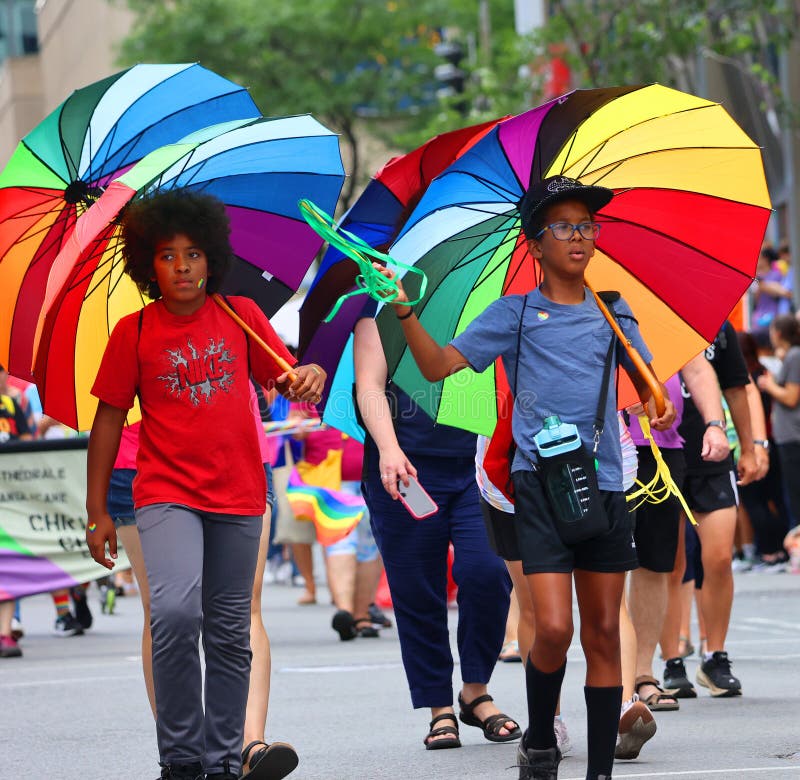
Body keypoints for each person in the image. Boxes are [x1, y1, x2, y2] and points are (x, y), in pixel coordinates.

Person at [373, 175, 675, 780]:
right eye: (563, 227)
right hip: (538, 486)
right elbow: (436, 367)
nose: (579, 237)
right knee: (555, 627)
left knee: (605, 633)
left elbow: (651, 394)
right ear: (534, 244)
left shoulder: (614, 311)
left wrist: (654, 399)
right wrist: (405, 310)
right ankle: (541, 738)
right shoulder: (512, 314)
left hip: (605, 485)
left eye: (587, 226)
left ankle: (596, 771)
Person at [84, 190, 324, 780]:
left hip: (240, 492)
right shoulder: (133, 332)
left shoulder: (241, 313)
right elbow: (108, 421)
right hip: (165, 492)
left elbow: (283, 377)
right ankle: (181, 757)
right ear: (149, 265)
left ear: (211, 258)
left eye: (193, 254)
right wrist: (97, 511)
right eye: (167, 255)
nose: (183, 266)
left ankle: (222, 759)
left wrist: (308, 375)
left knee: (226, 626)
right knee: (171, 611)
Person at [355, 315, 518, 752]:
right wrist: (389, 449)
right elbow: (368, 387)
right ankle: (438, 709)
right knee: (418, 591)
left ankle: (474, 691)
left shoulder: (491, 306)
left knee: (487, 573)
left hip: (477, 467)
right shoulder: (378, 315)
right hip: (403, 470)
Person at [0, 364, 32, 659]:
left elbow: (27, 439)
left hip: (9, 498)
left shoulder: (11, 404)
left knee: (8, 560)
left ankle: (6, 631)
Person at [757, 314, 800, 527]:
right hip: (787, 434)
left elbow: (791, 397)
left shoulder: (794, 356)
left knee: (794, 493)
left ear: (778, 333)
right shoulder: (790, 356)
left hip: (793, 435)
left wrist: (769, 385)